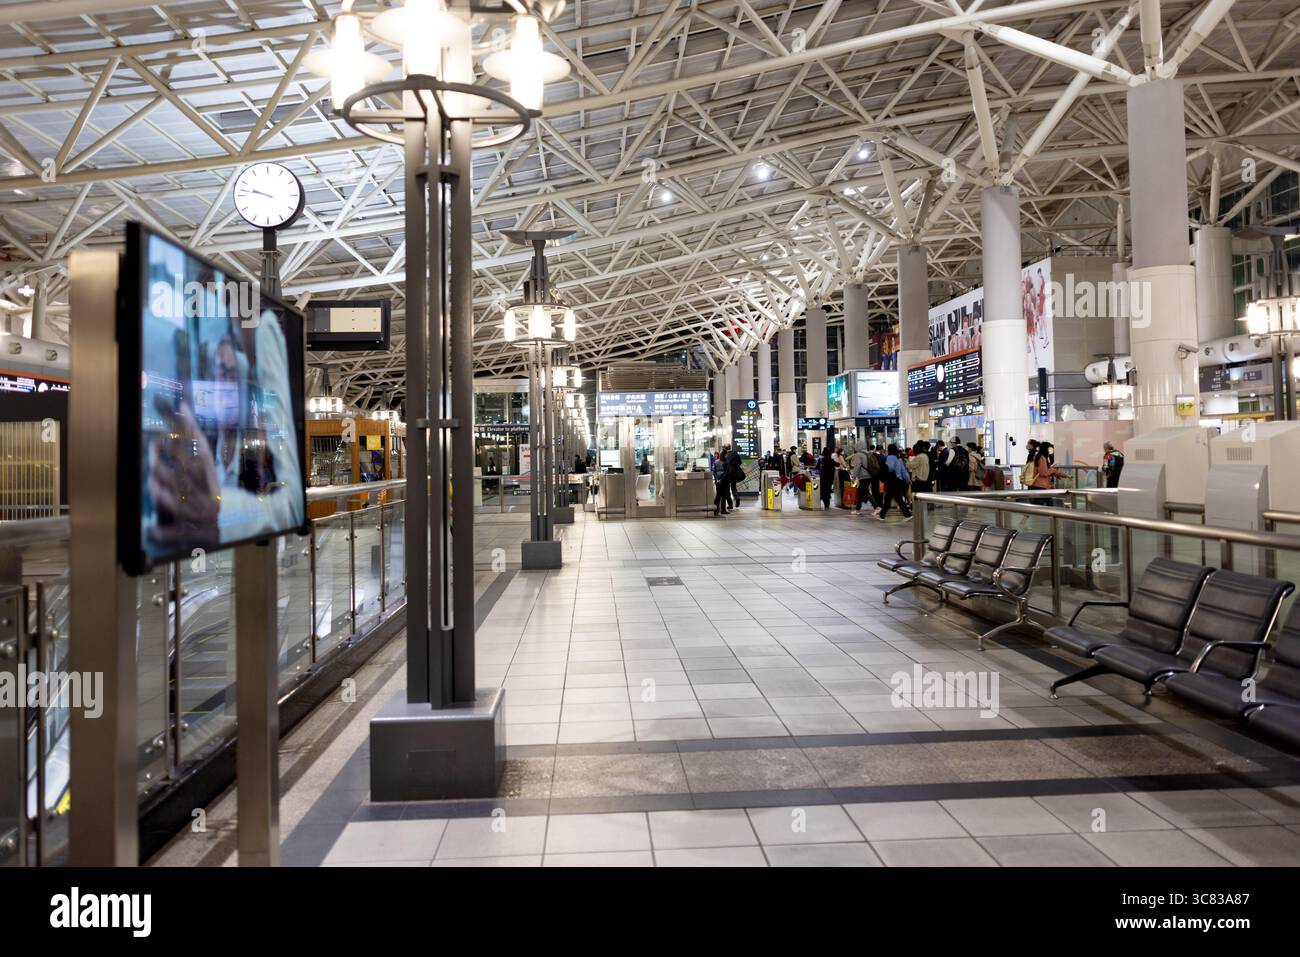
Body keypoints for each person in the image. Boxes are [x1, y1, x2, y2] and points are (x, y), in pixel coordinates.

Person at [877, 443, 913, 519]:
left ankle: (883, 515)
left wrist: (884, 468)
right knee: (894, 498)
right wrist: (908, 479)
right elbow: (903, 471)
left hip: (892, 481)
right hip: (899, 481)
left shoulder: (889, 457)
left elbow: (890, 468)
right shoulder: (898, 458)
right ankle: (883, 515)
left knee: (891, 499)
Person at [725, 444, 744, 509]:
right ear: (730, 447)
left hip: (727, 473)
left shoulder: (725, 455)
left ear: (725, 448)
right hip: (735, 473)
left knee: (727, 488)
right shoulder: (735, 453)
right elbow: (740, 462)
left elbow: (724, 464)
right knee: (733, 487)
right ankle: (737, 497)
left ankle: (730, 504)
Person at [712, 449, 730, 515]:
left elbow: (714, 472)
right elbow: (727, 473)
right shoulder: (727, 462)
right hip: (725, 481)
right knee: (723, 496)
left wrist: (717, 479)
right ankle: (723, 510)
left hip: (718, 482)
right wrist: (721, 480)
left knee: (718, 496)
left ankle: (715, 510)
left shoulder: (716, 462)